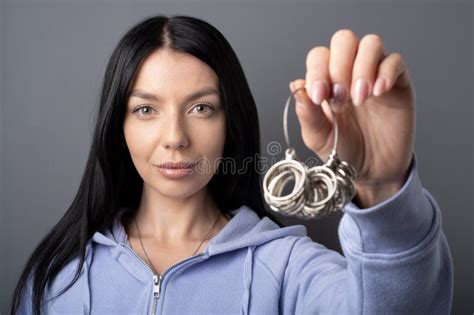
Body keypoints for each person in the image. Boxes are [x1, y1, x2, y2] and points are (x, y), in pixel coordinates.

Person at [10, 15, 453, 315]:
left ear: (230, 122)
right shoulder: (60, 274)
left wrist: (383, 189)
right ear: (117, 126)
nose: (175, 137)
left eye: (201, 108)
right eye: (146, 110)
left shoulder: (288, 269)